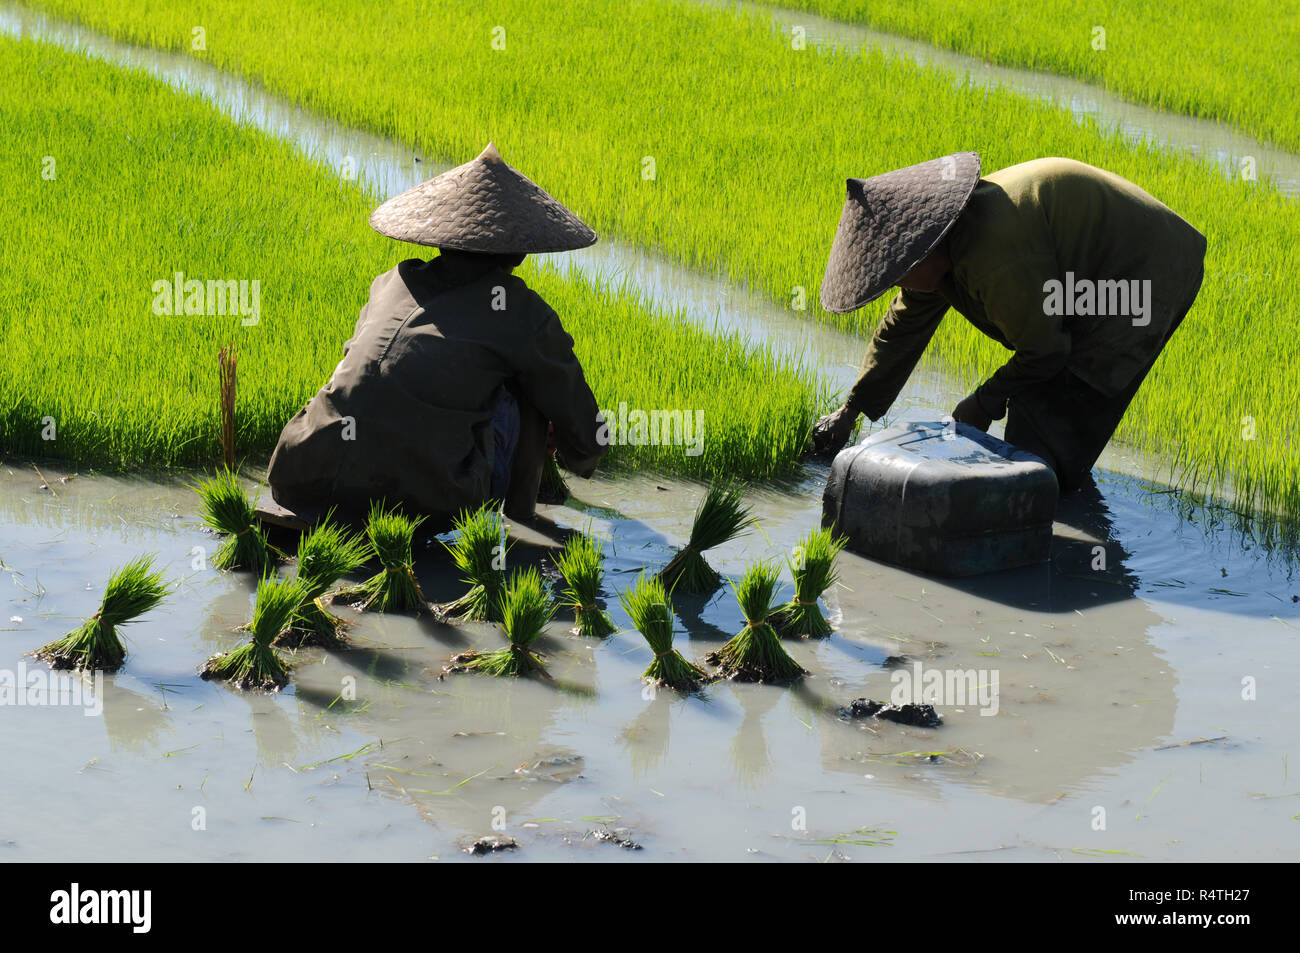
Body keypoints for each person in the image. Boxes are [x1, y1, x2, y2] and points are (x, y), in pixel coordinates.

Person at [811, 154, 1207, 492]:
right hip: (1092, 273)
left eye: (898, 274)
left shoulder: (994, 256)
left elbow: (1046, 351)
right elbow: (903, 326)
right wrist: (852, 409)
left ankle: (1058, 542)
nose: (898, 284)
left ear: (922, 250)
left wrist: (982, 401)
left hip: (1142, 275)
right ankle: (1054, 509)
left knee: (1047, 432)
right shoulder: (944, 248)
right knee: (1036, 433)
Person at [266, 143, 606, 525]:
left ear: (439, 237)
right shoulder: (520, 311)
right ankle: (523, 524)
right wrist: (574, 452)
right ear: (520, 252)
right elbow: (587, 432)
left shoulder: (393, 281)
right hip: (418, 500)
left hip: (299, 471)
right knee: (531, 388)